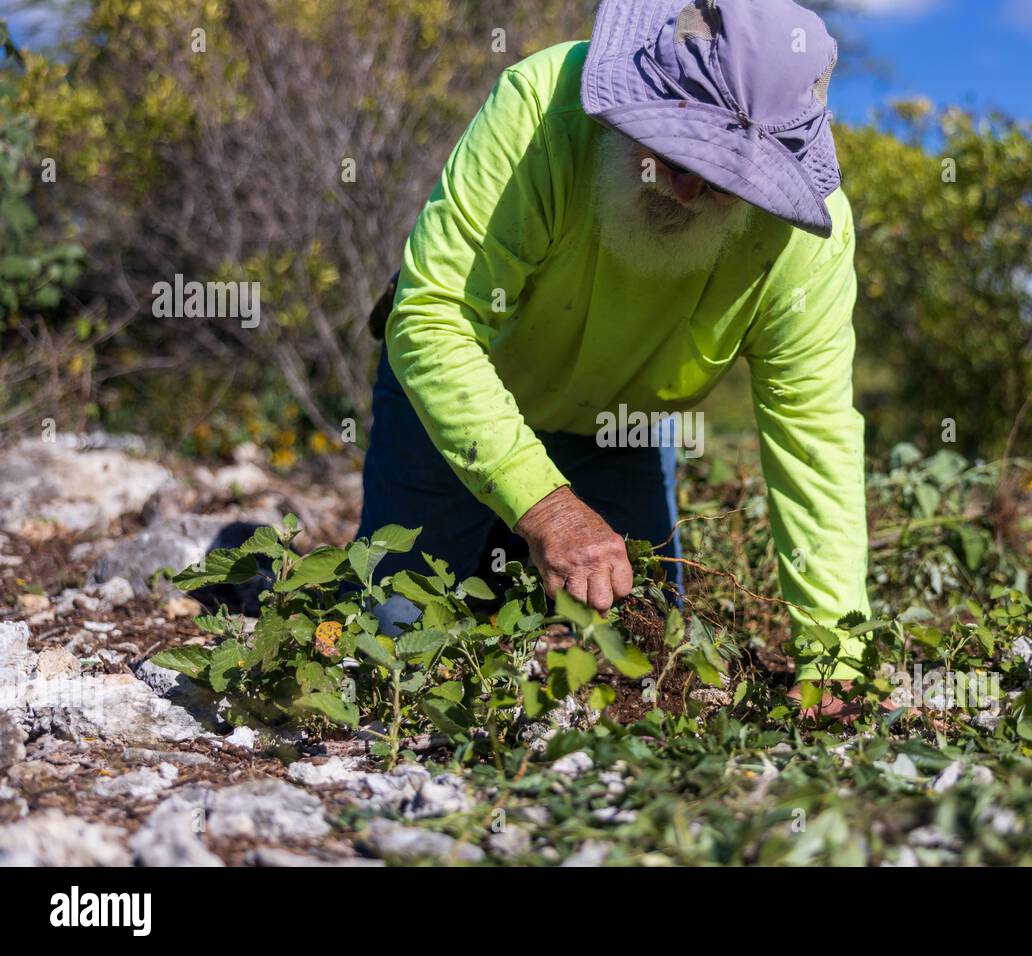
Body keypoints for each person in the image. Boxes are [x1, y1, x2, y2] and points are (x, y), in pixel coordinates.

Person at [359, 0, 868, 717]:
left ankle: (503, 558)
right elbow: (434, 317)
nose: (688, 191)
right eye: (678, 152)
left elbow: (814, 438)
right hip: (456, 400)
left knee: (644, 665)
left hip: (618, 429)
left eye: (727, 180)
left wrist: (834, 657)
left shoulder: (807, 246)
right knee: (396, 652)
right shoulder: (541, 108)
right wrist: (549, 508)